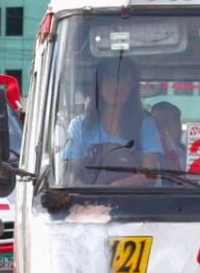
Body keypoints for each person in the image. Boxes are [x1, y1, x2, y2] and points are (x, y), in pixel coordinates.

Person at [62, 57, 163, 186]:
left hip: (133, 202)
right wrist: (85, 190)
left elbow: (150, 174)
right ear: (98, 85)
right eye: (109, 81)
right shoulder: (78, 125)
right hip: (86, 201)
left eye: (123, 81)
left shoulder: (146, 124)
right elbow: (71, 172)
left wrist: (115, 188)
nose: (116, 87)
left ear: (132, 87)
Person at [150, 101, 184, 171]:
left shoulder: (189, 155)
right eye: (157, 123)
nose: (163, 129)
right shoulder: (143, 156)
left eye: (168, 122)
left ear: (178, 126)